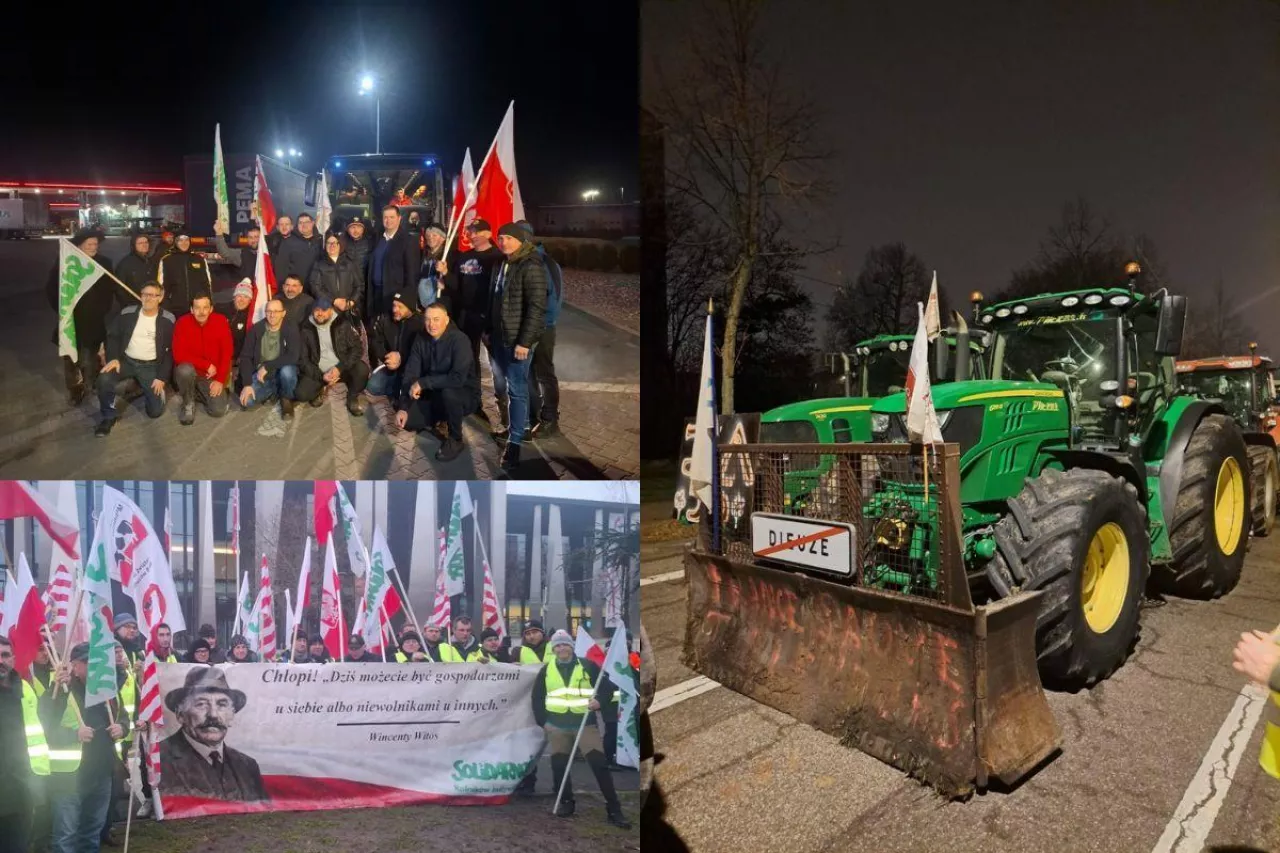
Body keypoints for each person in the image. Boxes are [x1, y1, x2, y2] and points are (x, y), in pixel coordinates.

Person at [532, 630, 630, 828]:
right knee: (559, 766)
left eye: (565, 644)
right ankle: (567, 802)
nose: (561, 649)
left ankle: (614, 809)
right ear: (553, 649)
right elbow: (537, 698)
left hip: (585, 724)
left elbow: (609, 689)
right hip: (558, 726)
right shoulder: (546, 669)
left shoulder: (587, 666)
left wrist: (599, 701)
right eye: (557, 646)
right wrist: (544, 723)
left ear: (571, 646)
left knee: (599, 764)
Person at [41, 643, 130, 853]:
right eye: (89, 663)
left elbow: (124, 716)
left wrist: (122, 728)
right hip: (70, 777)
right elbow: (44, 727)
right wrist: (74, 735)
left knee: (91, 834)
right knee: (65, 837)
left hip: (102, 773)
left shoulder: (107, 691)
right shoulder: (60, 691)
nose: (95, 667)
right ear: (75, 666)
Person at [486, 223, 548, 471]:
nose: (502, 242)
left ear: (521, 240)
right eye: (500, 237)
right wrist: (489, 331)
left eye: (508, 238)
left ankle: (514, 445)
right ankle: (519, 429)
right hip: (501, 337)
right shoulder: (504, 263)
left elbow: (536, 308)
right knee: (512, 388)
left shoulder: (531, 266)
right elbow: (497, 299)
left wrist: (524, 341)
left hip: (517, 342)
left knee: (517, 391)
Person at [158, 668, 268, 802]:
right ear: (180, 715)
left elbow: (263, 806)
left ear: (232, 715)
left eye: (222, 705)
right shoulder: (159, 759)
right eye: (201, 704)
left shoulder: (247, 765)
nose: (213, 715)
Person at [47, 227, 121, 406]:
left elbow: (110, 289)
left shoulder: (103, 263)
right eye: (89, 244)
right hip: (72, 320)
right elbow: (52, 290)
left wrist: (103, 308)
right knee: (71, 358)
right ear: (79, 245)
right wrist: (64, 310)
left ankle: (93, 384)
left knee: (93, 355)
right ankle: (75, 390)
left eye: (96, 244)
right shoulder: (67, 262)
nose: (93, 247)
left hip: (95, 320)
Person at [398, 302, 480, 462]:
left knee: (449, 393)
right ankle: (440, 417)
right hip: (436, 393)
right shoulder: (421, 338)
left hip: (463, 394)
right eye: (427, 319)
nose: (431, 324)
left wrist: (423, 383)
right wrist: (403, 407)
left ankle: (456, 439)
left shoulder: (460, 340)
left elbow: (457, 379)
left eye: (436, 319)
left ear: (447, 320)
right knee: (409, 421)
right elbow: (411, 372)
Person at [93, 281, 175, 437]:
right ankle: (108, 416)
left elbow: (170, 351)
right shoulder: (127, 313)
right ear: (140, 295)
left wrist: (161, 377)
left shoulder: (167, 319)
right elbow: (113, 336)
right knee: (103, 379)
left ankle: (153, 392)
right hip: (127, 362)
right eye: (145, 294)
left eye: (153, 295)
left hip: (150, 367)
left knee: (155, 412)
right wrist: (114, 358)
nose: (148, 298)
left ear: (160, 297)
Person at [0, 636, 49, 853]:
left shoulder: (25, 689)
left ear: (13, 658)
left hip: (21, 786)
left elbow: (40, 726)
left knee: (18, 846)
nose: (1, 660)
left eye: (5, 655)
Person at [517, 221, 564, 439]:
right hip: (531, 327)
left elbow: (549, 302)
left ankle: (550, 419)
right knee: (529, 374)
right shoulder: (528, 260)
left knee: (544, 373)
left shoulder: (543, 262)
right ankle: (535, 417)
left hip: (542, 328)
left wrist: (534, 327)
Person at [298, 297, 369, 416]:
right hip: (319, 369)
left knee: (362, 370)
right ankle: (322, 387)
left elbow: (357, 348)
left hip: (342, 366)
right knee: (301, 394)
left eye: (324, 310)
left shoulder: (342, 324)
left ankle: (352, 397)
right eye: (317, 310)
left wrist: (339, 368)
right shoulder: (306, 328)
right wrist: (321, 376)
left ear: (331, 310)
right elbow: (303, 359)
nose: (320, 313)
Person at [452, 219, 503, 381]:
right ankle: (474, 398)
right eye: (470, 232)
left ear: (488, 234)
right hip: (466, 315)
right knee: (469, 357)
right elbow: (456, 284)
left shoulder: (498, 258)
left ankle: (502, 397)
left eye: (477, 231)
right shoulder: (464, 257)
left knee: (496, 360)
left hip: (488, 316)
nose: (472, 235)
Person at [172, 292, 233, 425]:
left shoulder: (221, 321)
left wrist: (220, 380)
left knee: (219, 411)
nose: (202, 312)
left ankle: (193, 392)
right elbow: (178, 354)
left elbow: (227, 353)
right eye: (197, 308)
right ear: (191, 310)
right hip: (191, 372)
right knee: (184, 370)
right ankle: (188, 402)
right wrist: (205, 365)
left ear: (211, 309)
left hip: (211, 377)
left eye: (205, 307)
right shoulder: (182, 323)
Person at [239, 299, 302, 419]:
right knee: (247, 402)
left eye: (276, 311)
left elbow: (293, 355)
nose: (272, 315)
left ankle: (286, 398)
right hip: (262, 375)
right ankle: (274, 390)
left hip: (282, 368)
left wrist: (267, 367)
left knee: (287, 372)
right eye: (269, 311)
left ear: (283, 313)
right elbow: (245, 357)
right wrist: (247, 384)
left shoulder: (291, 327)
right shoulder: (256, 329)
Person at [367, 290, 424, 402]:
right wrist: (386, 357)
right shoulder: (385, 318)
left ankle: (398, 392)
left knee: (410, 393)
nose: (394, 309)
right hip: (390, 366)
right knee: (373, 387)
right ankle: (395, 391)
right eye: (394, 305)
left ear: (410, 308)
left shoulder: (420, 324)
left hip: (410, 369)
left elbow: (421, 354)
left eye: (400, 306)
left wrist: (401, 358)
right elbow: (375, 340)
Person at [366, 205, 421, 321]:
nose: (388, 220)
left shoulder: (408, 240)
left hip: (395, 296)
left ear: (399, 218)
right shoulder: (377, 239)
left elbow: (412, 274)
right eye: (385, 217)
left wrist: (407, 301)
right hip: (376, 294)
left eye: (392, 217)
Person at [309, 233, 364, 321]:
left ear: (340, 245)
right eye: (329, 243)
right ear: (325, 246)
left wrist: (352, 301)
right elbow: (315, 287)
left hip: (349, 308)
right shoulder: (319, 264)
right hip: (329, 308)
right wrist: (334, 301)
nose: (332, 245)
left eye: (335, 243)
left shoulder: (350, 263)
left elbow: (359, 285)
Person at [157, 232, 212, 318]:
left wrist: (209, 303)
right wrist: (165, 306)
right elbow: (162, 286)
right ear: (175, 242)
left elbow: (206, 284)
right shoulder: (167, 260)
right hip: (175, 309)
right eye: (180, 240)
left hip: (197, 307)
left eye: (186, 240)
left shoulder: (199, 259)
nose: (184, 243)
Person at [276, 212, 322, 291]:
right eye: (300, 223)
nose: (304, 225)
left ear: (313, 223)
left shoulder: (321, 241)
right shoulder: (288, 243)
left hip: (317, 289)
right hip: (295, 289)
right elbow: (281, 268)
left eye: (307, 222)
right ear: (297, 225)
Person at [213, 220, 261, 285]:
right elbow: (225, 252)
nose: (253, 240)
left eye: (256, 237)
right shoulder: (242, 253)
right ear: (247, 239)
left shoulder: (268, 253)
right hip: (247, 292)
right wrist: (218, 234)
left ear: (261, 238)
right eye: (250, 237)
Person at [221, 282, 253, 376]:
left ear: (250, 300)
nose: (242, 300)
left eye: (246, 297)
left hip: (237, 356)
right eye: (239, 296)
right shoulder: (221, 310)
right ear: (234, 297)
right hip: (220, 352)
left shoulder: (250, 318)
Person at [418, 223, 451, 310]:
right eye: (428, 235)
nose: (430, 237)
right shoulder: (422, 255)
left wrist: (445, 286)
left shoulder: (449, 256)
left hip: (439, 304)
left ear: (443, 238)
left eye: (434, 235)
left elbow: (455, 283)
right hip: (422, 305)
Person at [341, 216, 374, 296]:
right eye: (352, 227)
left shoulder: (371, 243)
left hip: (365, 285)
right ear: (347, 230)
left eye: (359, 227)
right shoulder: (341, 243)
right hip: (347, 285)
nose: (356, 231)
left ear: (363, 229)